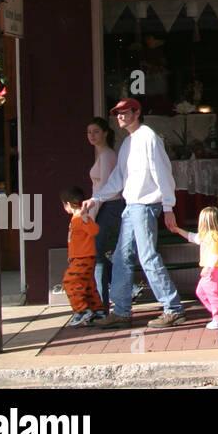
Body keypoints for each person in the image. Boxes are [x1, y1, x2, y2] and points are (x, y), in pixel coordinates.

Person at [85, 98, 187, 328]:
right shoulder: (128, 143)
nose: (119, 116)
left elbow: (162, 172)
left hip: (144, 206)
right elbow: (118, 179)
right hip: (132, 206)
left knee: (147, 256)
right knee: (122, 258)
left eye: (124, 112)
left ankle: (173, 308)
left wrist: (168, 206)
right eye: (117, 113)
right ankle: (121, 310)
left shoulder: (148, 137)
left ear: (136, 113)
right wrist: (95, 198)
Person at [86, 116, 123, 315]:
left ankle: (102, 305)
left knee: (96, 254)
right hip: (104, 205)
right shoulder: (103, 155)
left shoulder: (107, 155)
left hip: (108, 206)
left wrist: (90, 214)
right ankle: (118, 285)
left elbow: (104, 188)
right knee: (97, 253)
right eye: (89, 132)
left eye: (96, 132)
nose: (92, 136)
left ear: (105, 133)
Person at [172, 206, 218, 330]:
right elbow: (192, 237)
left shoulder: (214, 237)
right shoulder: (207, 235)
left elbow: (214, 253)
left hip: (213, 270)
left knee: (212, 294)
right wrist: (178, 230)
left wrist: (207, 267)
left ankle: (217, 317)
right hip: (212, 270)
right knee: (201, 292)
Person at [60, 186, 104, 326]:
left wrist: (85, 219)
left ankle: (81, 310)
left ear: (68, 204)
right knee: (88, 285)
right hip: (81, 256)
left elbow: (94, 230)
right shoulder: (78, 218)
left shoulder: (80, 218)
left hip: (83, 258)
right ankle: (97, 311)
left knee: (69, 282)